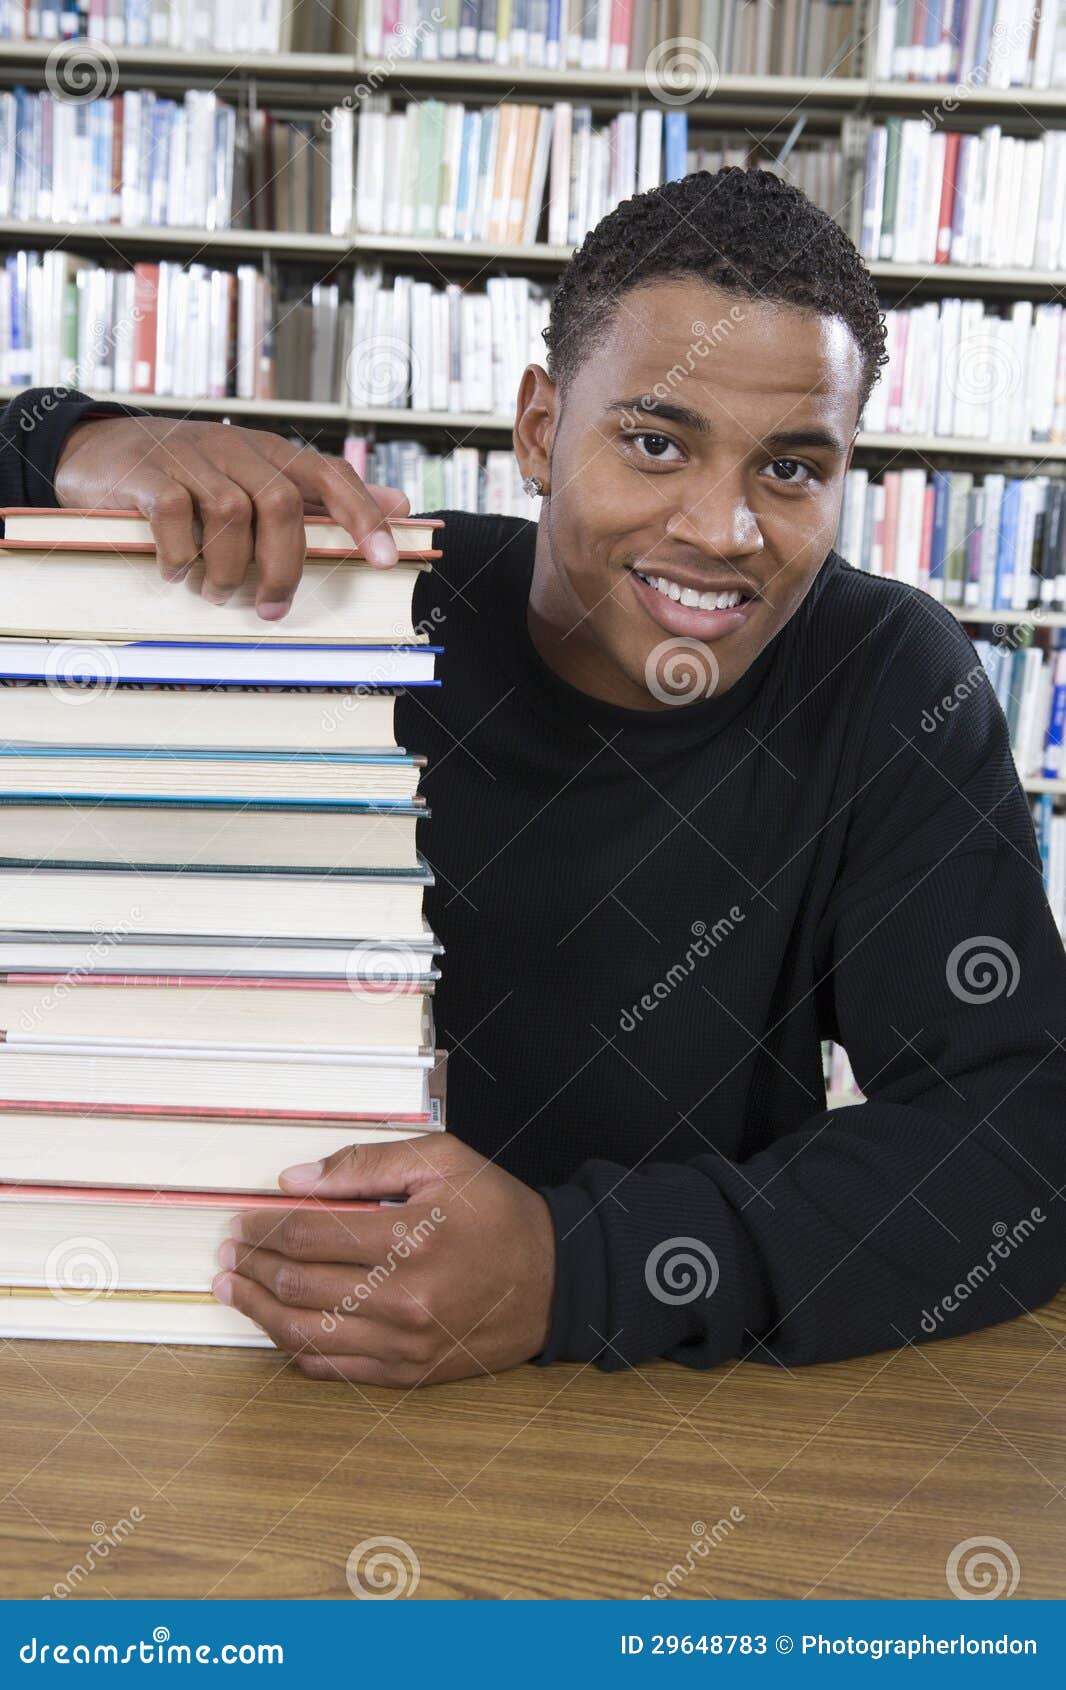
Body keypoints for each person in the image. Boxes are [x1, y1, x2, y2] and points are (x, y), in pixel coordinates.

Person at [3, 167, 1064, 1389]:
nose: (721, 529)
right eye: (655, 443)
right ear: (539, 431)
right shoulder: (345, 608)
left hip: (636, 1418)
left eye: (789, 469)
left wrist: (578, 1267)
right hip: (198, 1363)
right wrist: (69, 446)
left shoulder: (882, 677)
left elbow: (1021, 1138)